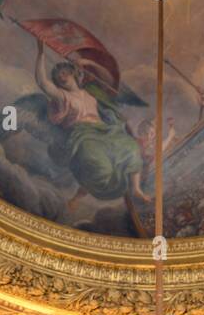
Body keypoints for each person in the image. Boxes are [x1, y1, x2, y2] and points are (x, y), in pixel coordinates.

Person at [33, 41, 147, 208]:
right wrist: (41, 52)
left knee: (131, 148)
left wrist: (87, 63)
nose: (62, 76)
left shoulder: (90, 91)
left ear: (73, 74)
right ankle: (88, 190)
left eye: (65, 72)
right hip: (83, 135)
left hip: (104, 130)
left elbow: (109, 80)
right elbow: (42, 82)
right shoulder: (61, 96)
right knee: (100, 167)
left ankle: (136, 189)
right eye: (58, 76)